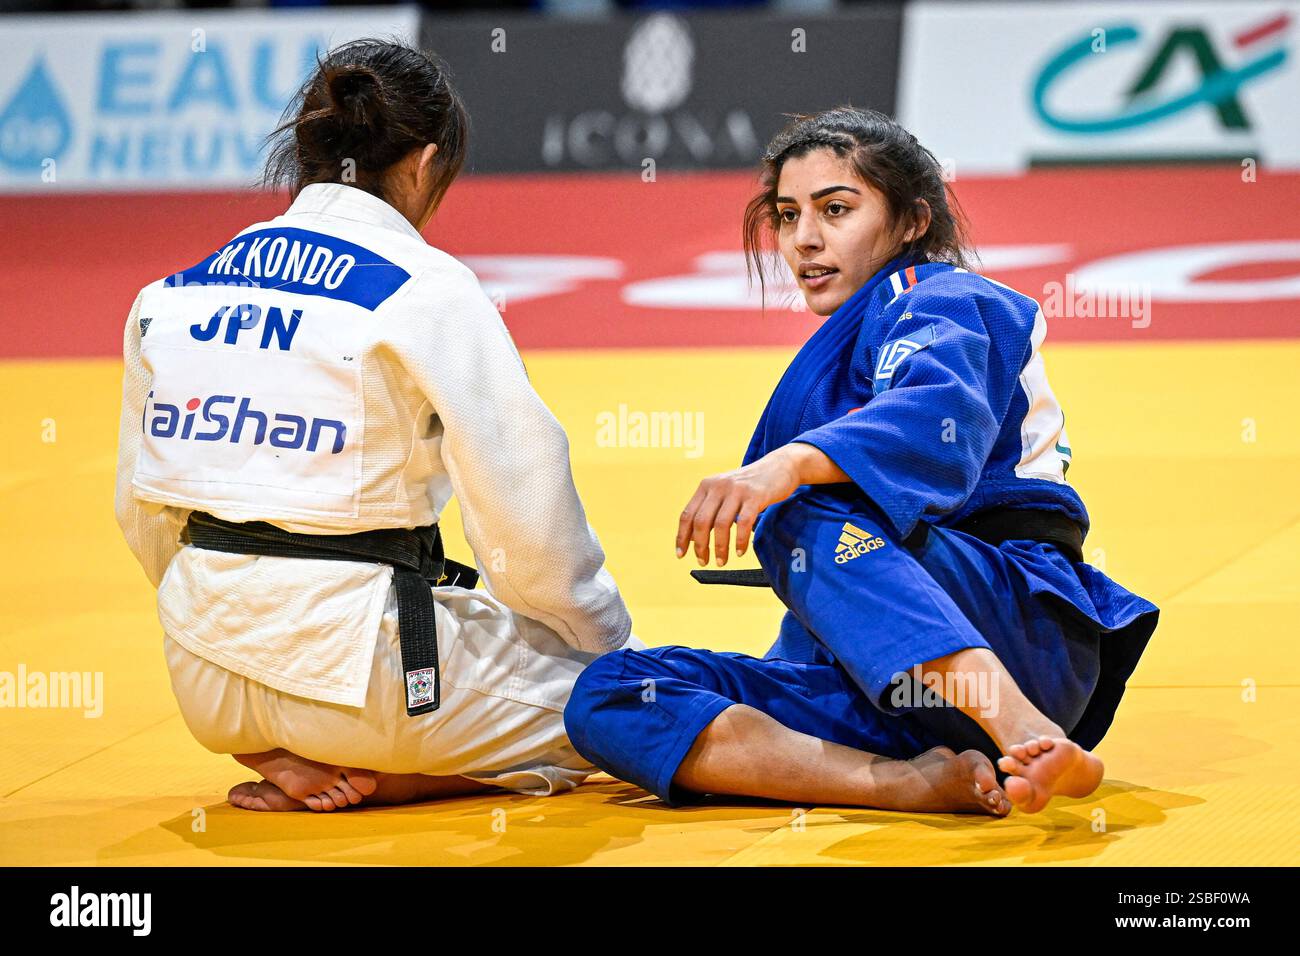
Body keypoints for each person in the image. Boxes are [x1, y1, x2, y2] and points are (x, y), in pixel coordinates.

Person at [564, 107, 1159, 815]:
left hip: (1013, 626)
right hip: (889, 683)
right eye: (787, 216)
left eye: (835, 209)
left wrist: (787, 466)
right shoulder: (857, 339)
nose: (804, 240)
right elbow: (857, 558)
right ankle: (904, 783)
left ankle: (1019, 727)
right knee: (613, 692)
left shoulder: (946, 298)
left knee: (800, 508)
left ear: (911, 222)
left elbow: (938, 422)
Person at [114, 39, 632, 812]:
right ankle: (398, 779)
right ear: (425, 163)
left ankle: (282, 750)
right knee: (627, 709)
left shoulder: (169, 296)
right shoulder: (429, 292)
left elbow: (141, 515)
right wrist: (606, 650)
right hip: (369, 686)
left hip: (204, 680)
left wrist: (227, 624)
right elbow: (528, 531)